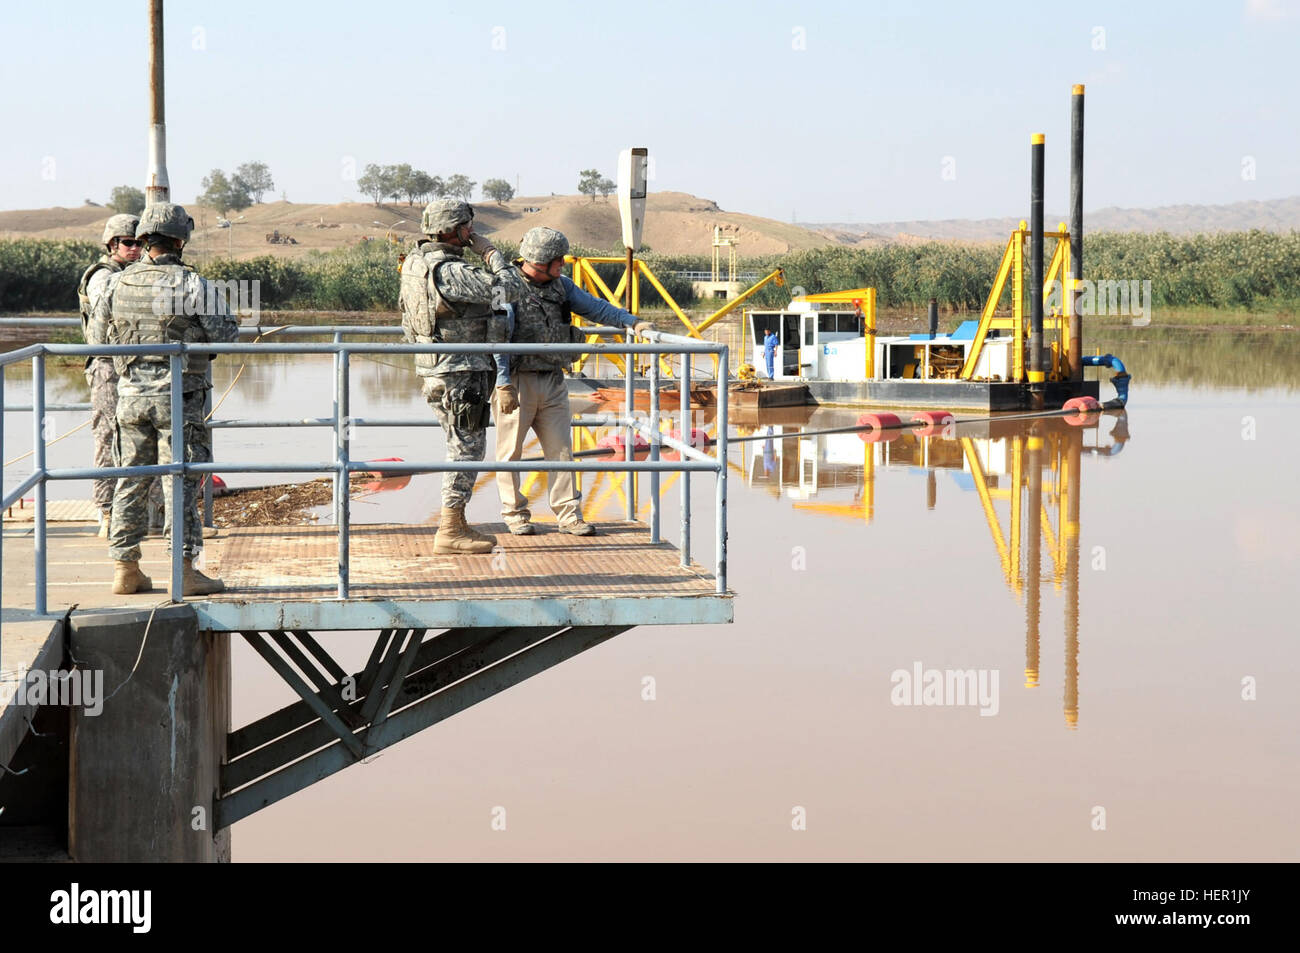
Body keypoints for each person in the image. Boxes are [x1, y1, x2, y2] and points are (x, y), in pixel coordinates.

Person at [93, 203, 239, 595]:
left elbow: (96, 341)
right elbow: (224, 337)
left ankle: (126, 569)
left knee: (130, 480)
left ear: (142, 238)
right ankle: (185, 571)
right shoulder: (192, 284)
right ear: (179, 239)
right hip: (180, 399)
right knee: (181, 482)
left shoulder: (115, 283)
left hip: (130, 398)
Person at [492, 226, 653, 537]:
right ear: (541, 261)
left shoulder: (561, 287)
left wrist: (632, 322)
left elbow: (596, 308)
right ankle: (514, 514)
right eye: (558, 261)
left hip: (552, 380)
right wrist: (502, 383)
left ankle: (568, 516)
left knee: (562, 451)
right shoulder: (505, 287)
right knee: (510, 452)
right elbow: (497, 336)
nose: (563, 265)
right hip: (516, 381)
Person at [400, 198, 524, 554]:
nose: (473, 232)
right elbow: (510, 289)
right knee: (466, 449)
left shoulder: (413, 264)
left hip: (435, 367)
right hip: (461, 373)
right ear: (453, 230)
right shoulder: (451, 271)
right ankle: (450, 529)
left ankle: (457, 521)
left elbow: (406, 318)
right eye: (468, 227)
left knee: (459, 443)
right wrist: (491, 254)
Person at [77, 214, 156, 537]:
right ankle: (106, 512)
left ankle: (146, 514)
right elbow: (106, 315)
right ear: (112, 245)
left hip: (133, 364)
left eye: (140, 243)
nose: (135, 248)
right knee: (108, 437)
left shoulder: (134, 274)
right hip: (108, 365)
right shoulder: (102, 276)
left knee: (142, 439)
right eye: (129, 243)